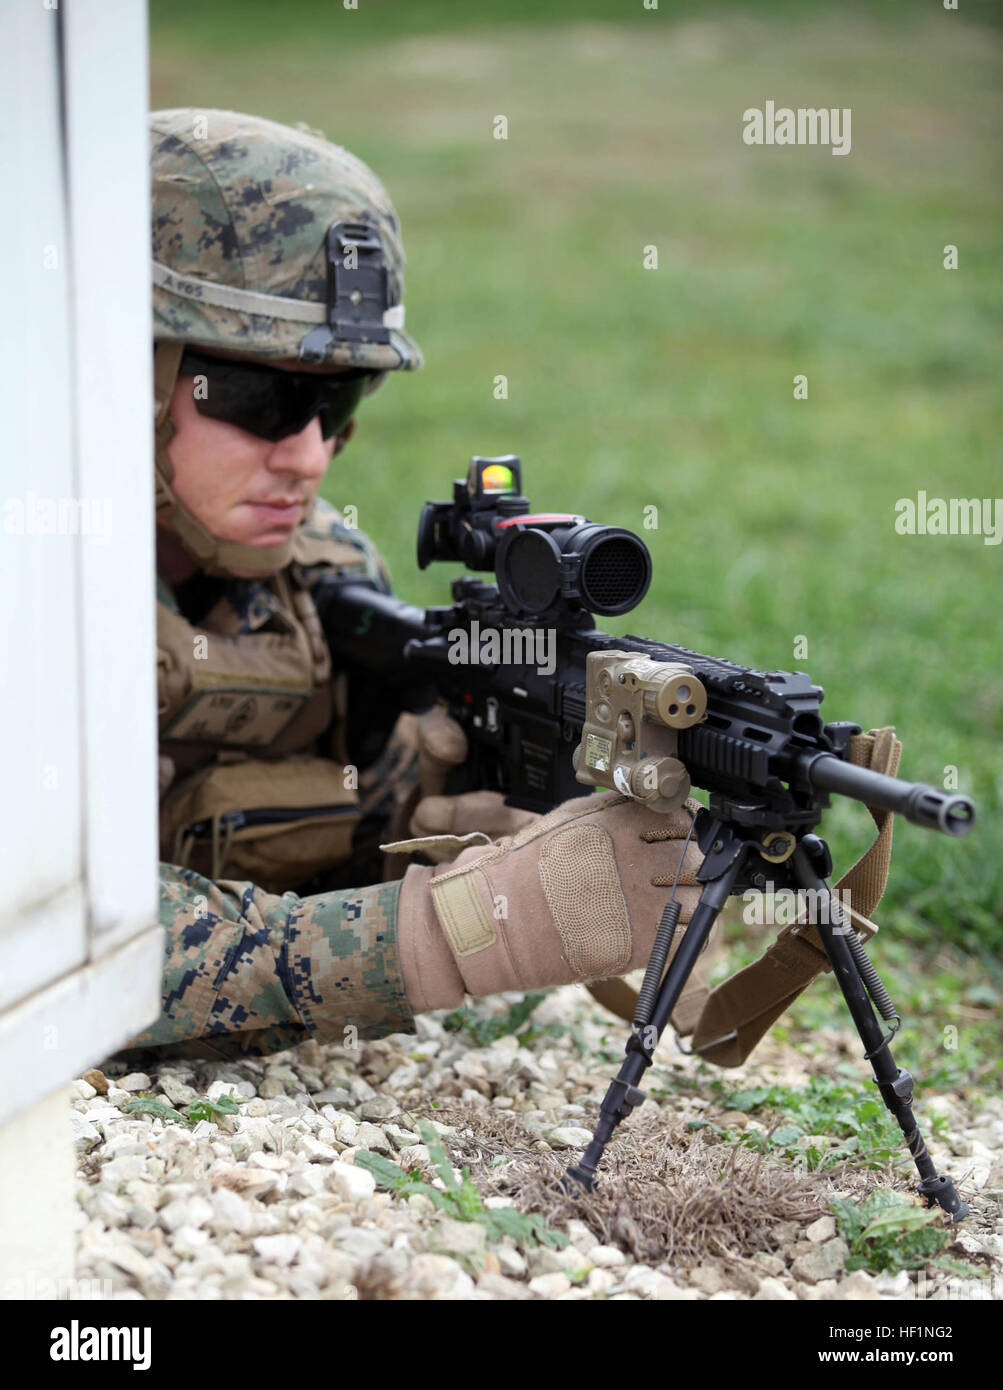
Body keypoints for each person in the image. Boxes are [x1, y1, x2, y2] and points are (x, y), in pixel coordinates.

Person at [122, 108, 701, 1062]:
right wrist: (444, 936)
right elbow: (47, 945)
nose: (307, 458)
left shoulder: (318, 582)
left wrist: (421, 828)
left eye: (337, 402)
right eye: (264, 401)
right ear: (126, 376)